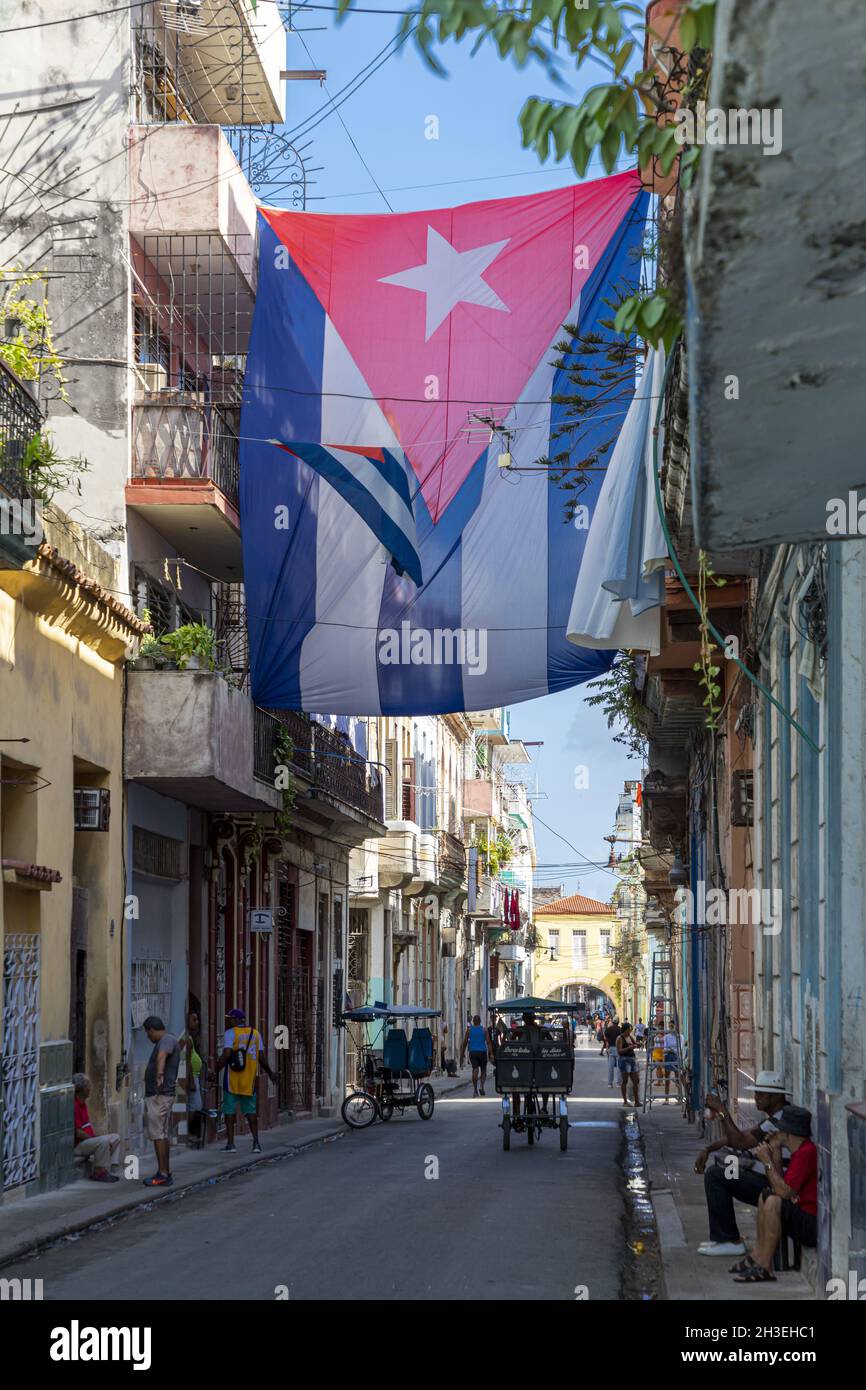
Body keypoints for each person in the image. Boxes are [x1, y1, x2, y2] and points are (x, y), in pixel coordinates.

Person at [695, 1070, 789, 1257]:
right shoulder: (775, 1117)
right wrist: (709, 1149)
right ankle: (724, 1237)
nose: (756, 1098)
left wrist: (722, 1111)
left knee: (716, 1176)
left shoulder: (780, 1119)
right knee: (722, 1167)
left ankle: (728, 1239)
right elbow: (743, 1136)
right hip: (767, 1177)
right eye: (756, 1093)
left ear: (775, 1097)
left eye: (761, 1094)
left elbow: (739, 1141)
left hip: (774, 1184)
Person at [731, 1105, 818, 1283]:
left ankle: (765, 1266)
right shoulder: (799, 1151)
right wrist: (776, 1152)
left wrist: (767, 1162)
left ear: (788, 1132)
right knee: (766, 1194)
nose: (777, 1132)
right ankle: (757, 1255)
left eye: (780, 1130)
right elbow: (778, 1183)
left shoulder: (806, 1153)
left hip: (810, 1223)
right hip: (800, 1212)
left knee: (773, 1201)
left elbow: (784, 1193)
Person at [216, 1007, 277, 1153]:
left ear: (237, 1019)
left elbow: (226, 1054)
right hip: (249, 1080)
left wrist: (215, 1070)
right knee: (251, 1112)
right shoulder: (255, 1034)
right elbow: (261, 1056)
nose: (228, 1021)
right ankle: (256, 1143)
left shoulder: (230, 1034)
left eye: (230, 1018)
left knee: (229, 1111)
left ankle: (231, 1144)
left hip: (232, 1079)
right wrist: (270, 1073)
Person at [142, 1016, 180, 1187]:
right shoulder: (168, 1039)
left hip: (160, 1095)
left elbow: (162, 1056)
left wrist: (159, 1075)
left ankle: (163, 1173)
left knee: (158, 1134)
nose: (148, 1037)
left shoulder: (166, 1040)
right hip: (160, 1095)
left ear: (151, 1029)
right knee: (160, 1134)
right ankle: (164, 1172)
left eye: (147, 1033)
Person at [73, 1073, 121, 1183]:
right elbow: (78, 1132)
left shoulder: (82, 1103)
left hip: (87, 1141)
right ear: (82, 1089)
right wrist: (93, 1139)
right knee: (103, 1141)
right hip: (79, 1145)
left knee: (115, 1138)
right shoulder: (74, 1105)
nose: (90, 1088)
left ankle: (110, 1168)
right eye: (88, 1086)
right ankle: (99, 1172)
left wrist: (95, 1138)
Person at [177, 1008, 205, 1146]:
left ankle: (190, 1132)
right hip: (193, 1076)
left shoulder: (190, 1038)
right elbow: (187, 1061)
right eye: (194, 1019)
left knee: (194, 1105)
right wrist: (191, 1081)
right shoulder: (187, 1039)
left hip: (195, 1076)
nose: (197, 1022)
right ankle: (188, 1132)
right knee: (195, 1105)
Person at [461, 1014, 491, 1096]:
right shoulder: (484, 1030)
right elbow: (488, 1042)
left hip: (473, 1052)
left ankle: (475, 1091)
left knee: (475, 1069)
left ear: (473, 1022)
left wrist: (462, 1053)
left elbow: (464, 1043)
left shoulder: (469, 1030)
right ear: (480, 1022)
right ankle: (481, 1086)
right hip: (482, 1052)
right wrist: (491, 1053)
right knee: (483, 1070)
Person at [616, 1021, 640, 1105]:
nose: (630, 1032)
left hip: (632, 1059)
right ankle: (625, 1101)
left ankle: (637, 1101)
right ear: (625, 1030)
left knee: (636, 1080)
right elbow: (619, 1051)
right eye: (628, 1030)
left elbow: (635, 1044)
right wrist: (629, 1048)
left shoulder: (629, 1036)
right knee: (625, 1080)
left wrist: (638, 1044)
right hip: (624, 1060)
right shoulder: (620, 1038)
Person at [603, 1016, 621, 1087]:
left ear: (613, 1022)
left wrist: (607, 1043)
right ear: (618, 1022)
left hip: (610, 1048)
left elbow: (605, 1036)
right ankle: (618, 1083)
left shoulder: (608, 1029)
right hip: (618, 1049)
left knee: (610, 1067)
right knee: (619, 1067)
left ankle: (610, 1083)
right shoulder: (620, 1030)